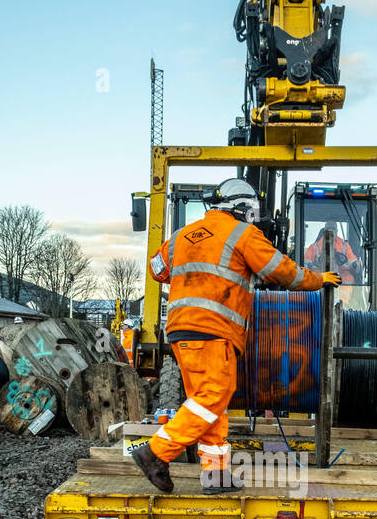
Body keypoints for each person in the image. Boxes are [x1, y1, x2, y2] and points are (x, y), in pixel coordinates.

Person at [131, 179, 339, 493]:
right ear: (240, 208)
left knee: (208, 405)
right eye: (251, 211)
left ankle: (215, 475)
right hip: (213, 331)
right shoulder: (242, 234)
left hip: (179, 330)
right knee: (212, 397)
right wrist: (318, 279)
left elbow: (157, 270)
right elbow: (281, 271)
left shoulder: (181, 236)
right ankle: (156, 452)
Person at [304, 219, 361, 305]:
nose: (331, 230)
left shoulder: (344, 245)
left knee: (348, 278)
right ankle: (316, 303)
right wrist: (313, 266)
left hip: (341, 272)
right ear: (324, 230)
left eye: (333, 228)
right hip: (321, 272)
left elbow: (352, 260)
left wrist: (355, 265)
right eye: (329, 228)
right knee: (314, 277)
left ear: (337, 231)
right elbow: (306, 262)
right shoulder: (315, 246)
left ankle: (343, 304)